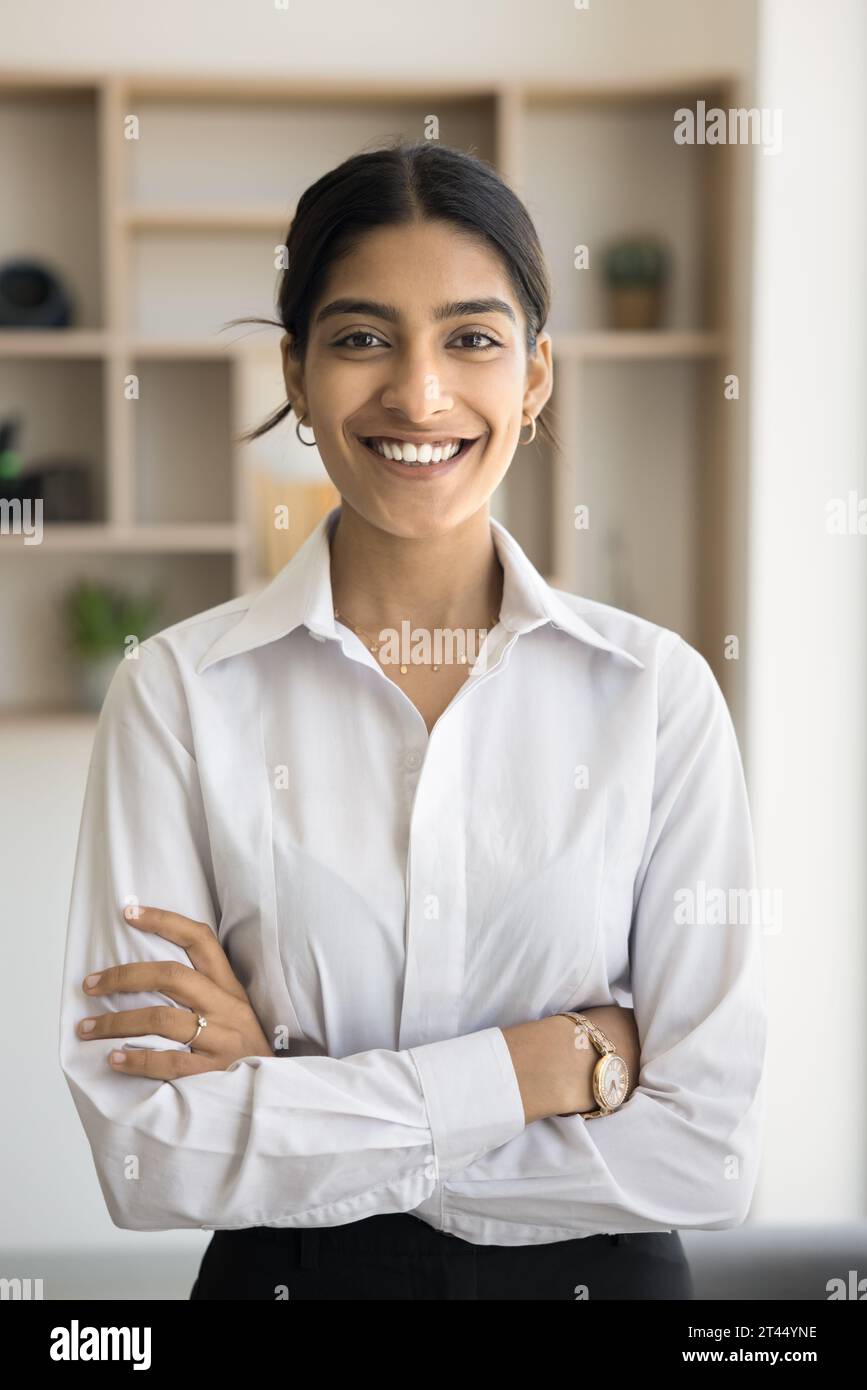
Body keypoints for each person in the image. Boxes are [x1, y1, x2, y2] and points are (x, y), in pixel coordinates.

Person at [58, 140, 767, 1301]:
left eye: (473, 339)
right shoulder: (179, 694)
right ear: (296, 372)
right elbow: (153, 1153)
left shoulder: (656, 695)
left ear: (535, 378)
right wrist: (545, 1067)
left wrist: (295, 1095)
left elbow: (708, 1152)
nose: (419, 393)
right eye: (361, 338)